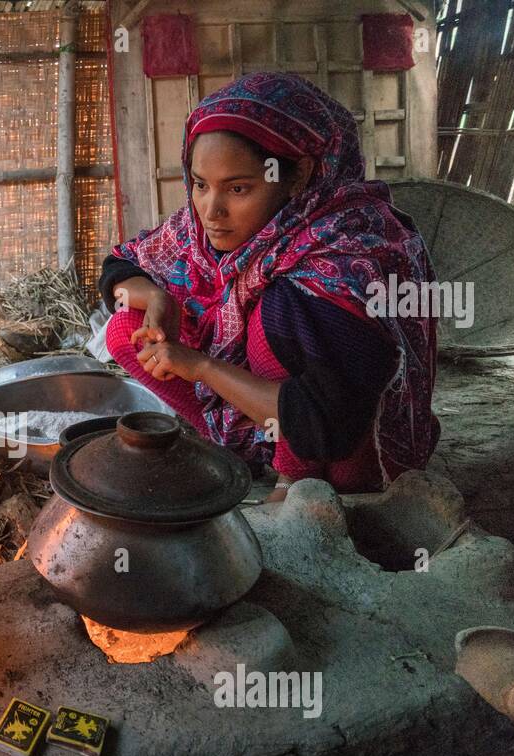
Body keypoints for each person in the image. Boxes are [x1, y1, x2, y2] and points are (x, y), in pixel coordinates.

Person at [101, 72, 439, 499]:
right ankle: (238, 451)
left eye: (238, 188)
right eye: (201, 185)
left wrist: (200, 366)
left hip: (348, 456)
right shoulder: (200, 231)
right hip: (273, 416)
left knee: (271, 320)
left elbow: (327, 425)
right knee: (123, 326)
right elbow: (121, 264)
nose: (211, 211)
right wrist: (157, 297)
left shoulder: (353, 251)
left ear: (299, 175)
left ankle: (294, 479)